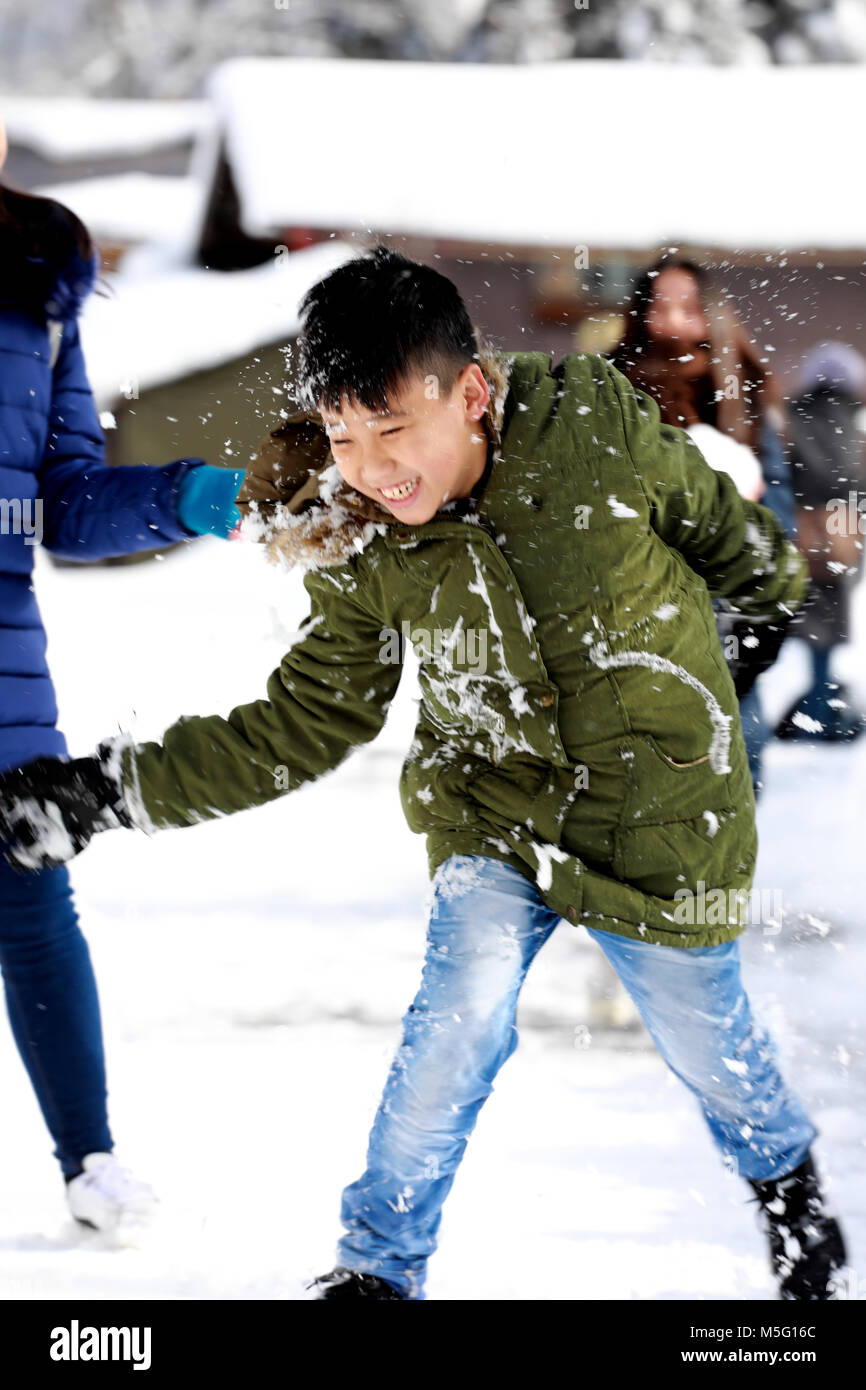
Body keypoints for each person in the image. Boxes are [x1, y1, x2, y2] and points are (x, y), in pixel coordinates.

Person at [0, 248, 847, 1300]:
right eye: (345, 436)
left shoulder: (591, 424)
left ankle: (788, 1189)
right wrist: (106, 792)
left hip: (660, 807)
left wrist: (763, 598)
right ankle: (376, 1271)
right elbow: (303, 719)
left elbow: (715, 526)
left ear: (472, 391)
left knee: (707, 1043)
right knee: (453, 1027)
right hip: (491, 806)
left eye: (394, 428)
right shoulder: (362, 536)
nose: (372, 466)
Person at [0, 118, 244, 1239]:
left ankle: (90, 1162)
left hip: (4, 660)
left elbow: (61, 499)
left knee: (34, 903)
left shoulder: (37, 277)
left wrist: (176, 497)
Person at [609, 254, 799, 799]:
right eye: (660, 306)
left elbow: (779, 511)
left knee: (737, 753)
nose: (672, 322)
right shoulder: (614, 386)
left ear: (710, 314)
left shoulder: (743, 393)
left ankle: (725, 871)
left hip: (729, 614)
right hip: (639, 607)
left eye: (687, 308)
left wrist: (745, 518)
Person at [775, 342, 866, 742]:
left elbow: (785, 470)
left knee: (808, 630)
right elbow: (855, 482)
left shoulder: (793, 416)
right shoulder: (855, 420)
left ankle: (817, 711)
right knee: (826, 633)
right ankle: (821, 714)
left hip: (800, 533)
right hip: (841, 529)